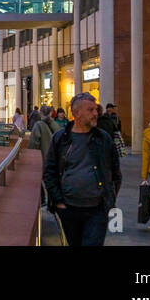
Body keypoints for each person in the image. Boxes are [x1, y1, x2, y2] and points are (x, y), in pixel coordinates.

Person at [42, 92, 121, 247]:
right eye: (90, 110)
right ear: (76, 113)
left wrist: (109, 198)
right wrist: (58, 201)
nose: (95, 114)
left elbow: (116, 171)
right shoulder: (60, 139)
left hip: (97, 209)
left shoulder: (103, 138)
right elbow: (49, 172)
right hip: (68, 209)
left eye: (95, 110)